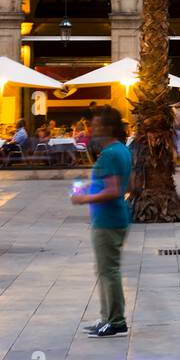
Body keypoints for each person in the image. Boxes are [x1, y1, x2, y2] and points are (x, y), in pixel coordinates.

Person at [71, 106, 133, 339]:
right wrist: (93, 189)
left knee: (109, 270)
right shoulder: (122, 150)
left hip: (107, 219)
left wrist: (83, 197)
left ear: (107, 127)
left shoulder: (109, 154)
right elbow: (130, 185)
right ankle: (107, 317)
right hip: (116, 216)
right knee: (105, 269)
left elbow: (114, 190)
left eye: (96, 125)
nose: (92, 129)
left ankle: (116, 321)